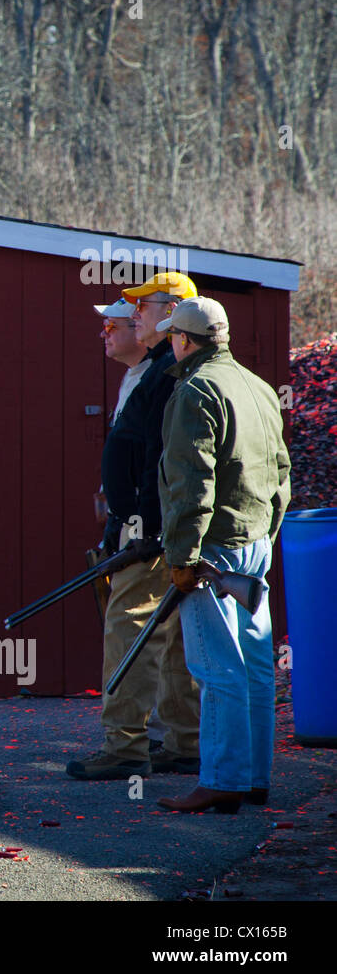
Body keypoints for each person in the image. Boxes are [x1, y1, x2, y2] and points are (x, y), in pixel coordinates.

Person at [154, 297, 290, 814]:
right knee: (255, 667)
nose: (171, 343)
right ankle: (253, 778)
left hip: (214, 549)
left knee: (217, 668)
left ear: (185, 341)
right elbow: (282, 471)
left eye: (173, 336)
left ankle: (222, 780)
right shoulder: (256, 386)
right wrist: (267, 534)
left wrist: (183, 556)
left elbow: (192, 483)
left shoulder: (194, 390)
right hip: (255, 543)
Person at [67, 276, 202, 780]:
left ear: (172, 312)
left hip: (151, 530)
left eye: (140, 307)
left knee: (129, 629)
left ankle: (125, 746)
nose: (132, 314)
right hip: (149, 526)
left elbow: (160, 458)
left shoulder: (167, 373)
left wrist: (142, 521)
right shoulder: (159, 371)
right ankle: (184, 741)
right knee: (168, 636)